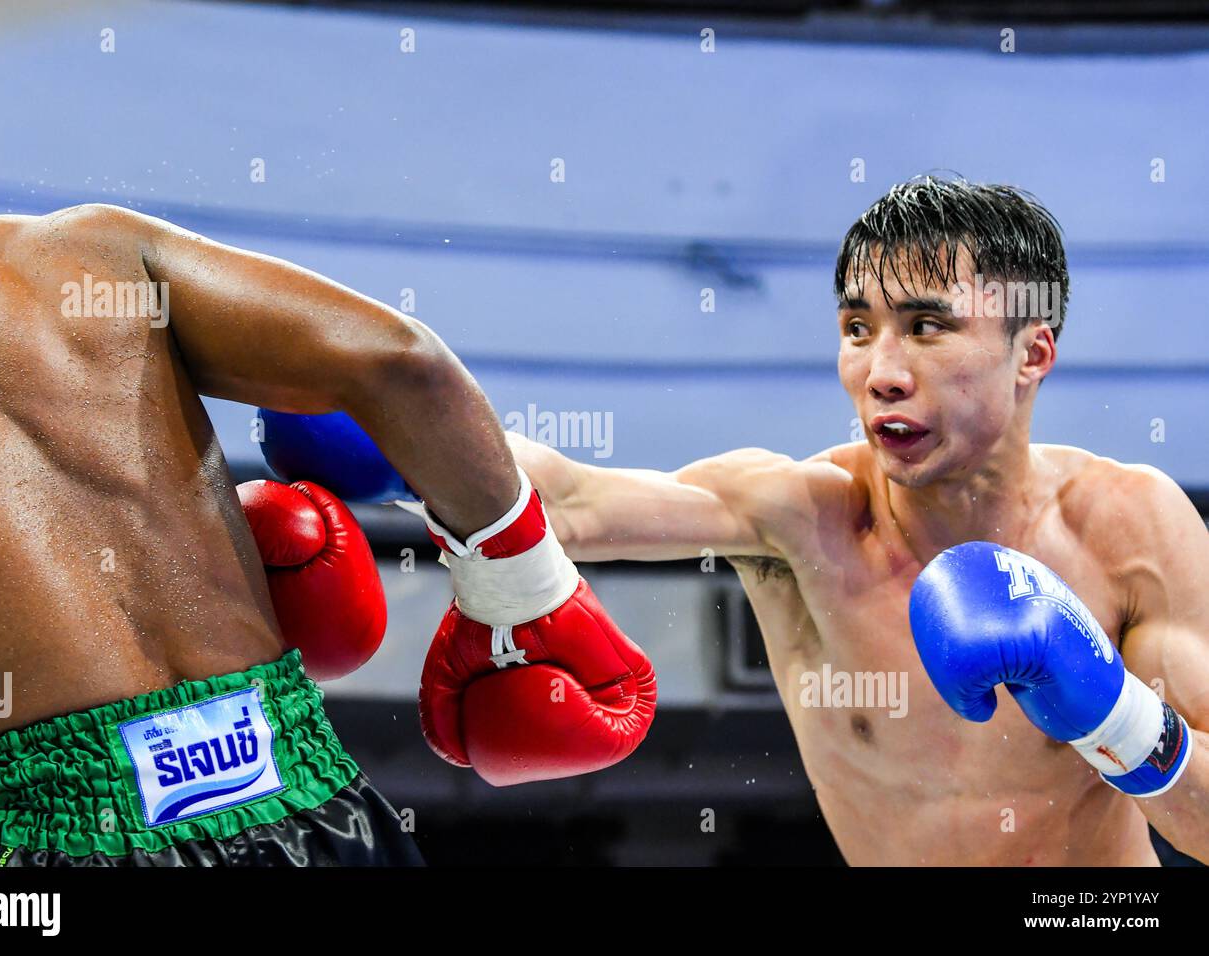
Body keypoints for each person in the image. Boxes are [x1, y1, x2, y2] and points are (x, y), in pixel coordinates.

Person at [0, 99, 652, 867]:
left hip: (24, 847)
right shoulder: (87, 250)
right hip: (302, 794)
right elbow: (405, 365)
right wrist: (523, 594)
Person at [500, 178, 1209, 865]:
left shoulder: (1128, 528)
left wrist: (1116, 715)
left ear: (1032, 354)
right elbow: (566, 502)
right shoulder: (799, 520)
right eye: (858, 329)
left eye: (927, 327)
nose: (881, 373)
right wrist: (429, 409)